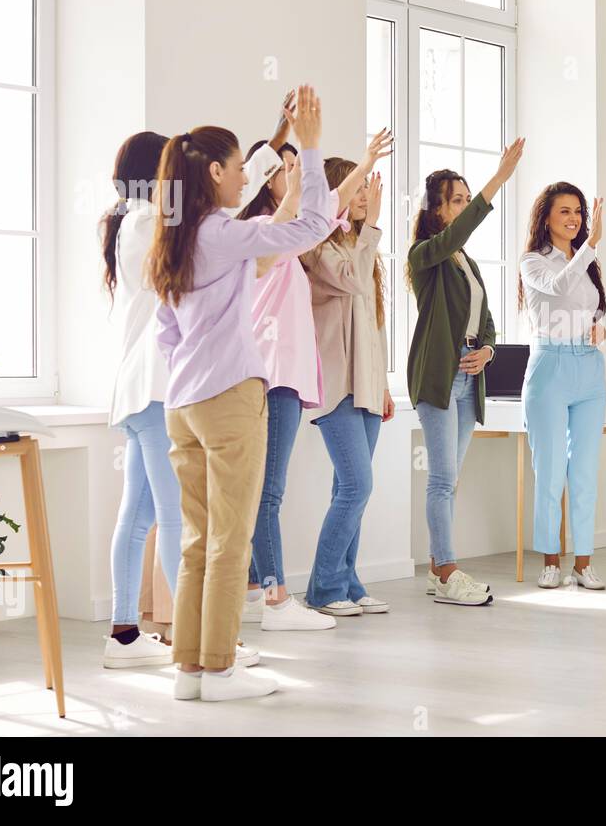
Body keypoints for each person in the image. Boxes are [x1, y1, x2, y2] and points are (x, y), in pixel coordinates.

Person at [150, 85, 332, 701]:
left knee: (199, 540)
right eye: (238, 168)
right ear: (216, 173)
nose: (246, 178)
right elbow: (313, 223)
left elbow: (166, 335)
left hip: (183, 404)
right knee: (231, 539)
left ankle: (190, 671)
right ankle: (221, 671)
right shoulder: (223, 232)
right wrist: (310, 149)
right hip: (228, 397)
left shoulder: (172, 240)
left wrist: (280, 134)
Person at [406, 140, 525, 605]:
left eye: (466, 198)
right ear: (436, 209)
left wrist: (489, 352)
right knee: (440, 479)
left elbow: (486, 318)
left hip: (466, 377)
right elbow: (454, 237)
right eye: (456, 199)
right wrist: (498, 182)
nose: (463, 206)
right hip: (436, 378)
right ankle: (450, 570)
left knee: (449, 479)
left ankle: (439, 569)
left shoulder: (466, 263)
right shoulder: (426, 253)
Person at [299, 155, 396, 616]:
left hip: (366, 386)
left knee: (348, 487)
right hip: (335, 384)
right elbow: (350, 280)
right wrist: (372, 229)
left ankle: (348, 582)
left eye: (365, 188)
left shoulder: (361, 246)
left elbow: (374, 326)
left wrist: (383, 386)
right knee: (358, 485)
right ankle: (322, 588)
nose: (364, 196)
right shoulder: (317, 246)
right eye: (356, 188)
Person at [99, 130, 182, 668]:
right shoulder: (150, 223)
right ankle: (193, 636)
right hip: (153, 388)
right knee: (175, 516)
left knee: (140, 513)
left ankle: (124, 633)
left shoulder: (132, 221)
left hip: (137, 389)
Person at [518, 183, 606, 589]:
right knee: (551, 470)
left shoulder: (585, 260)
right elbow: (557, 289)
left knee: (586, 471)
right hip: (549, 367)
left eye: (578, 212)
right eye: (564, 212)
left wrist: (598, 326)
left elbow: (592, 306)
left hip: (589, 370)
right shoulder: (532, 262)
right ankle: (550, 560)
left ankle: (583, 562)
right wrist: (591, 245)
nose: (573, 219)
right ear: (546, 218)